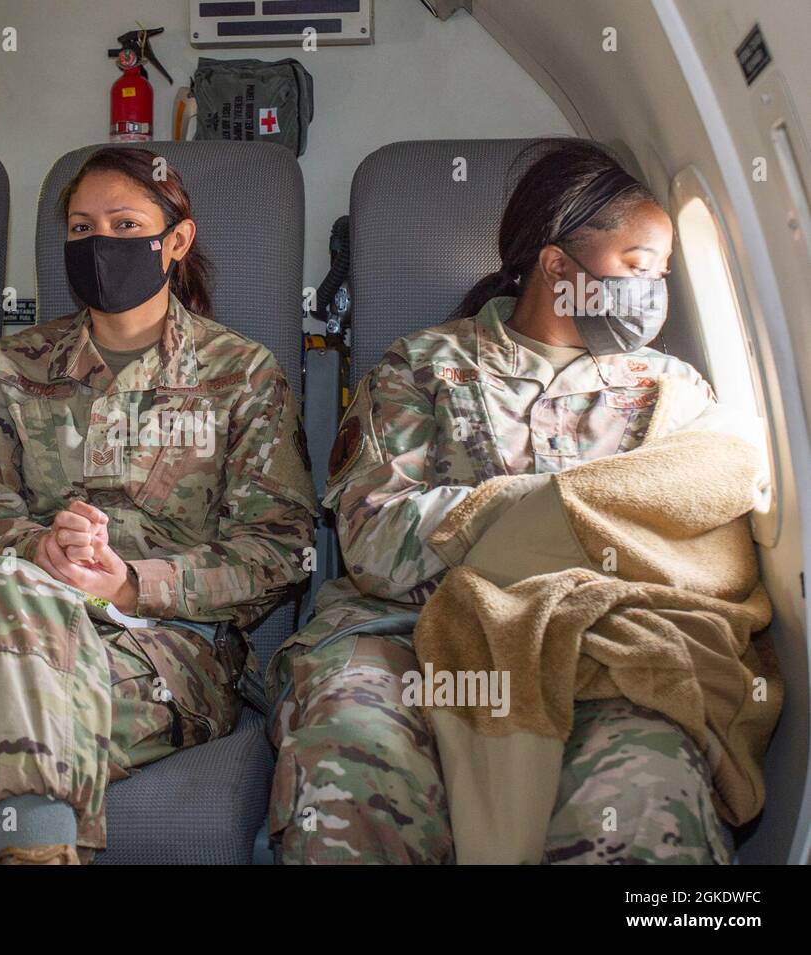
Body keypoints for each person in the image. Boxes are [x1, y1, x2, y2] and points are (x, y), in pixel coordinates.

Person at [269, 139, 742, 865]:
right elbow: (373, 538)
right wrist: (557, 510)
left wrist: (500, 522)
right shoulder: (423, 367)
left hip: (596, 640)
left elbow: (703, 534)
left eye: (664, 273)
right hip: (410, 634)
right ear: (558, 264)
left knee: (648, 781)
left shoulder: (671, 393)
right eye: (637, 268)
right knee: (348, 749)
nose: (654, 294)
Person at [0, 146, 317, 864]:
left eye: (124, 222)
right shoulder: (12, 368)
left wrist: (135, 581)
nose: (99, 242)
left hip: (166, 648)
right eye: (80, 228)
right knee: (7, 599)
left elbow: (283, 550)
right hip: (18, 614)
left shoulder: (241, 377)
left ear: (176, 241)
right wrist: (37, 548)